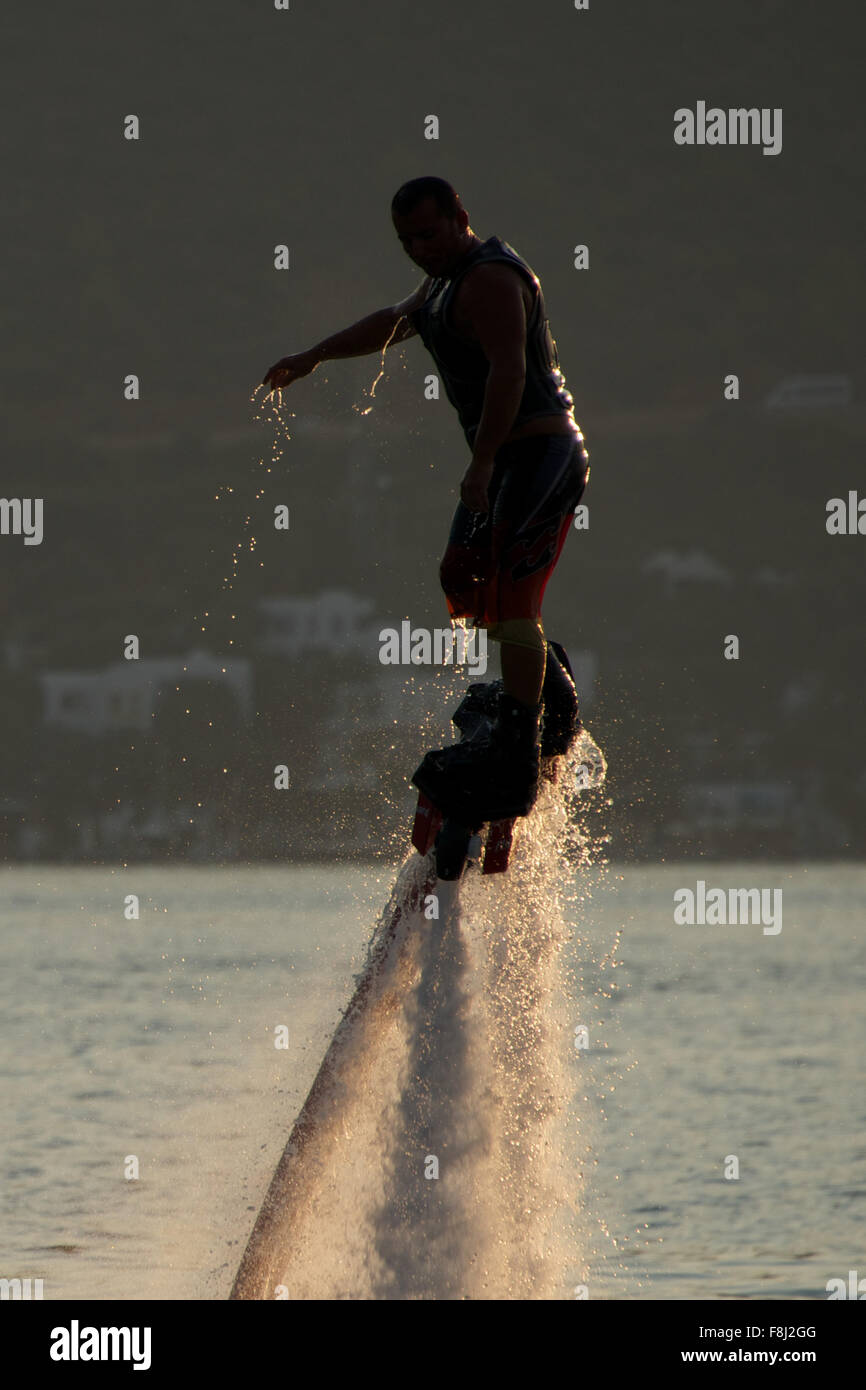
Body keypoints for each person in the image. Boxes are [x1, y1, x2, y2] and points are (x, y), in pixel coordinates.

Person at [262, 176, 589, 822]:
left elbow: (509, 373)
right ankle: (546, 690)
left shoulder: (491, 279)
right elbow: (393, 321)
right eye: (406, 241)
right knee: (462, 578)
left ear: (459, 216)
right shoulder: (440, 284)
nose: (419, 249)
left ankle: (518, 750)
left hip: (539, 456)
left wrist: (483, 462)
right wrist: (315, 356)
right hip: (502, 462)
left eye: (428, 234)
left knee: (512, 601)